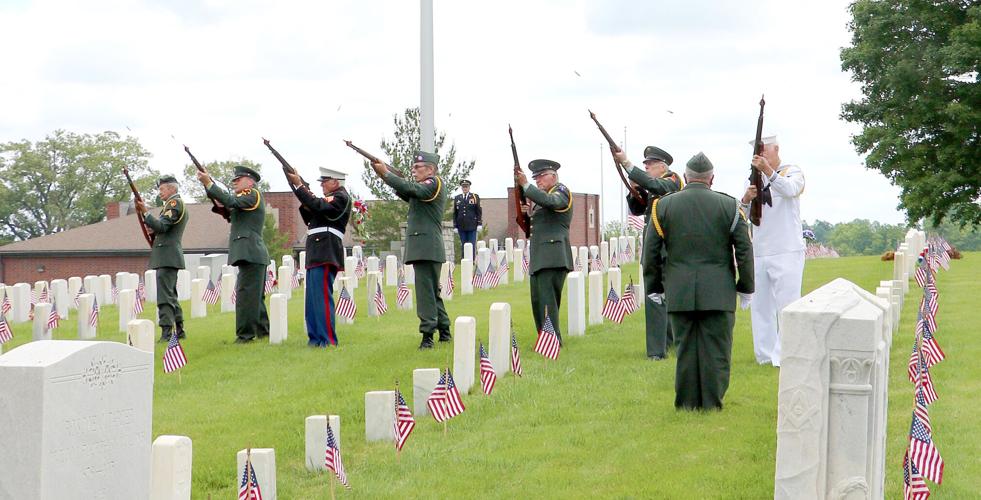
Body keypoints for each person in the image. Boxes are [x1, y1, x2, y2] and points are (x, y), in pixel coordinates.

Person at [644, 152, 754, 410]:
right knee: (717, 350)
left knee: (685, 350)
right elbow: (744, 250)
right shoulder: (730, 206)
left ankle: (686, 403)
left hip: (679, 290)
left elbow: (650, 253)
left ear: (685, 177)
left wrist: (655, 287)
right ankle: (712, 403)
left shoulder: (663, 206)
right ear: (711, 179)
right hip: (719, 291)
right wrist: (746, 287)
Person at [369, 151, 450, 349]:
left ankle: (427, 335)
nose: (413, 170)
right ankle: (444, 330)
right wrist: (383, 174)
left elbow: (411, 188)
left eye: (417, 167)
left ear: (430, 169)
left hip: (426, 247)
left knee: (425, 293)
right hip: (425, 247)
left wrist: (387, 174)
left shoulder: (433, 183)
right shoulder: (423, 188)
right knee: (431, 291)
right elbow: (407, 191)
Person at [740, 135, 805, 367]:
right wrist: (746, 199)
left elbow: (790, 190)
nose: (761, 156)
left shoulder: (791, 171)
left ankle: (784, 355)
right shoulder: (752, 180)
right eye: (758, 153)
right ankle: (765, 355)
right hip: (760, 250)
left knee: (787, 305)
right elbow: (742, 216)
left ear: (776, 149)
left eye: (764, 151)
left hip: (787, 248)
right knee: (760, 307)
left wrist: (768, 171)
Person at [614, 146, 683, 361]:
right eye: (645, 165)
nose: (646, 168)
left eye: (649, 165)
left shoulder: (672, 180)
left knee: (659, 297)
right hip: (655, 247)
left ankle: (657, 350)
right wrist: (633, 188)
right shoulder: (655, 187)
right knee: (660, 296)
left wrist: (628, 165)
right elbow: (638, 208)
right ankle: (663, 344)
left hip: (666, 247)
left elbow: (655, 185)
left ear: (662, 166)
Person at [196, 165, 270, 343]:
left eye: (239, 179)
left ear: (250, 181)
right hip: (251, 252)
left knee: (245, 295)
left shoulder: (252, 194)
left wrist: (210, 183)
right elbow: (227, 205)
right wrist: (209, 188)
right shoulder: (244, 199)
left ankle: (245, 335)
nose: (235, 182)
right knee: (253, 296)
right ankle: (263, 331)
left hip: (251, 251)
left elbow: (231, 201)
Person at [285, 167, 352, 348]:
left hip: (326, 249)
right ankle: (315, 338)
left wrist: (300, 186)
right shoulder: (327, 199)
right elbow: (310, 211)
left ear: (336, 182)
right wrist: (295, 184)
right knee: (313, 299)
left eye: (325, 181)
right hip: (317, 249)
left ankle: (328, 339)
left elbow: (320, 207)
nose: (322, 185)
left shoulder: (341, 197)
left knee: (321, 297)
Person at [514, 159, 574, 345]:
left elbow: (552, 202)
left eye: (541, 176)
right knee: (538, 301)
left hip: (553, 257)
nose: (538, 180)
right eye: (535, 177)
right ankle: (545, 340)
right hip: (541, 257)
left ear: (553, 176)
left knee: (548, 303)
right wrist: (525, 211)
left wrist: (525, 185)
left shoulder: (561, 192)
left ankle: (553, 341)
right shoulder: (541, 200)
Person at [136, 175, 188, 342]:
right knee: (171, 294)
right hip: (168, 255)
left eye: (162, 189)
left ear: (172, 189)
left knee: (165, 296)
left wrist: (146, 212)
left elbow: (162, 227)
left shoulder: (174, 204)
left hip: (167, 256)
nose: (160, 193)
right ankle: (179, 329)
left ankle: (166, 332)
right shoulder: (170, 205)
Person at [453, 179, 481, 254]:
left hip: (472, 225)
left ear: (469, 187)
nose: (465, 188)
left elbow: (478, 211)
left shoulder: (474, 197)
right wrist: (455, 226)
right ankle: (464, 262)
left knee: (471, 245)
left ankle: (471, 261)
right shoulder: (457, 198)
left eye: (466, 186)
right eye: (463, 187)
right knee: (463, 245)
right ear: (461, 188)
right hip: (461, 226)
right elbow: (455, 213)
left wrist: (479, 223)